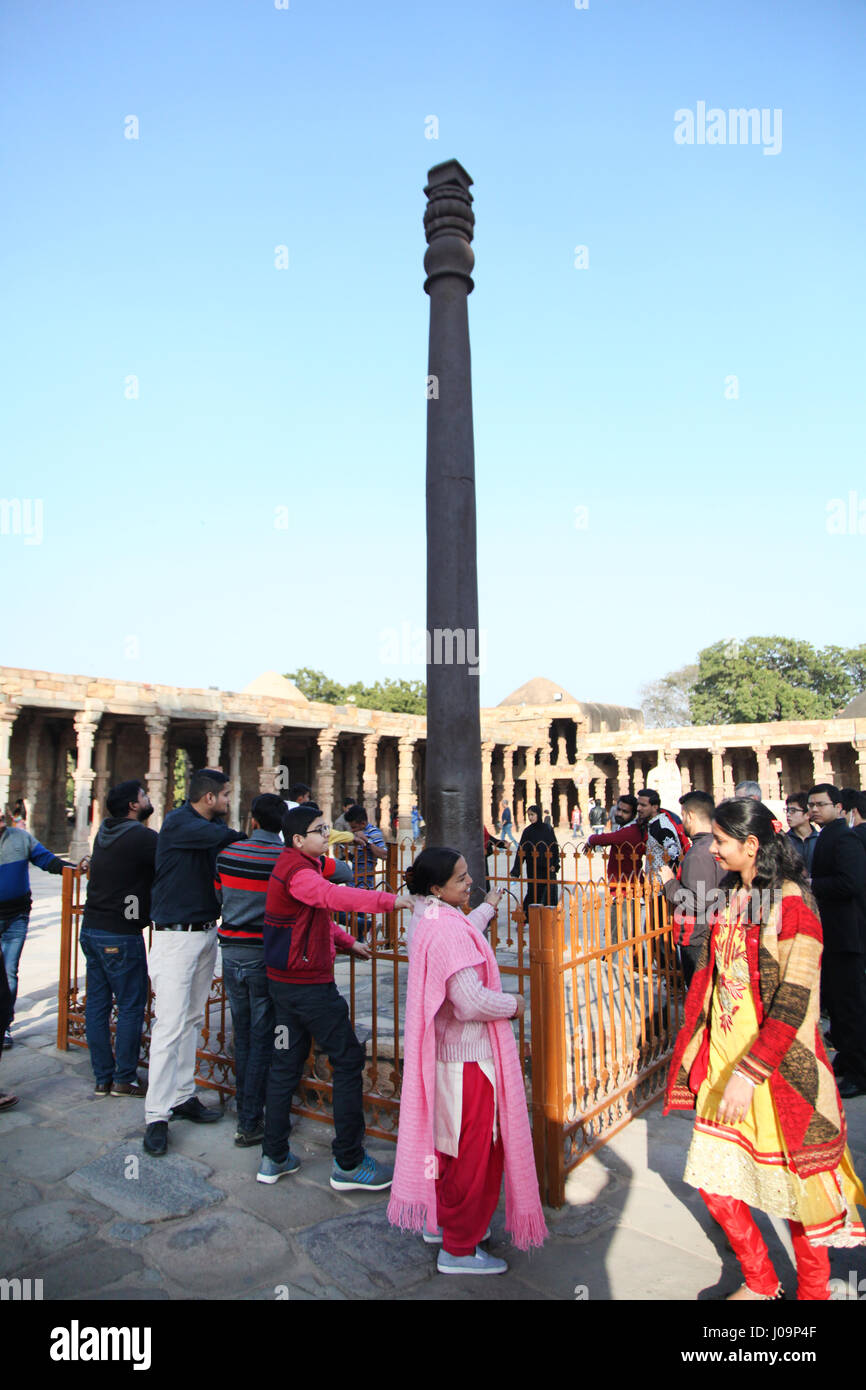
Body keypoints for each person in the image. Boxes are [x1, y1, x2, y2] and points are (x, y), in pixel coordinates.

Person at [665, 798, 866, 1300]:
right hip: (722, 1058)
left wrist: (750, 1071)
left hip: (776, 1070)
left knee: (801, 1194)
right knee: (713, 1181)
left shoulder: (791, 902)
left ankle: (813, 1295)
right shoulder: (738, 893)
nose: (712, 849)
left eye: (721, 842)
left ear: (752, 845)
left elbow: (795, 1001)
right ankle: (760, 1279)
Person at [388, 846, 546, 1273]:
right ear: (437, 888)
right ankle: (458, 1248)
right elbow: (469, 1000)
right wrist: (514, 1004)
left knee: (450, 1149)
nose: (470, 881)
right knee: (474, 1155)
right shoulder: (447, 930)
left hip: (447, 1058)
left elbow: (462, 937)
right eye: (461, 878)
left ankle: (444, 1222)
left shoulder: (428, 915)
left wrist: (488, 909)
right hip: (469, 1061)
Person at [258, 804, 413, 1187]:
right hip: (308, 986)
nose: (327, 834)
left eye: (326, 827)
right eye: (318, 829)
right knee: (347, 1059)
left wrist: (347, 942)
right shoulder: (298, 872)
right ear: (297, 839)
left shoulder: (295, 866)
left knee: (284, 1065)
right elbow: (333, 899)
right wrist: (390, 901)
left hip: (284, 982)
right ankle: (348, 1161)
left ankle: (273, 1156)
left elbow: (313, 919)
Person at [143, 768, 245, 1156]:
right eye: (225, 795)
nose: (227, 801)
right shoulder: (179, 823)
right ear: (209, 798)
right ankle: (156, 1114)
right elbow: (231, 838)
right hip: (174, 938)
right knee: (169, 1024)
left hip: (203, 931)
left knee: (191, 1020)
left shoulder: (204, 828)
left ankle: (183, 1094)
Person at [215, 793, 286, 1147]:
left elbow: (219, 898)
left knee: (242, 1033)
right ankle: (250, 1120)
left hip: (230, 954)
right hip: (264, 955)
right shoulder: (286, 860)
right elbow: (343, 873)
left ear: (253, 822)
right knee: (263, 1038)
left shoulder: (227, 855)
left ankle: (243, 1106)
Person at [80, 780, 157, 1098]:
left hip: (92, 927)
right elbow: (168, 866)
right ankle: (124, 1078)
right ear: (132, 805)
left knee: (97, 1005)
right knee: (129, 1004)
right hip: (120, 933)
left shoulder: (105, 832)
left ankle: (103, 1077)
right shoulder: (141, 836)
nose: (148, 797)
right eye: (143, 795)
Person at [0, 803, 88, 1049]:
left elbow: (46, 860)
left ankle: (4, 1024)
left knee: (8, 971)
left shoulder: (20, 838)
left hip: (16, 916)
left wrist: (73, 869)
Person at [807, 783, 866, 1099]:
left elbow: (851, 883)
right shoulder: (829, 835)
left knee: (850, 1005)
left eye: (820, 804)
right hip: (833, 932)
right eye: (811, 804)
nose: (814, 809)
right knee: (839, 1005)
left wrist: (812, 883)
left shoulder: (845, 837)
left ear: (839, 807)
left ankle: (860, 1072)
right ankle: (847, 1058)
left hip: (847, 935)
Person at [659, 790, 723, 989]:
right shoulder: (718, 844)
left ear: (690, 815)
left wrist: (669, 882)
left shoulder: (698, 853)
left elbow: (697, 900)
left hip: (697, 936)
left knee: (699, 995)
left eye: (683, 815)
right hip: (713, 930)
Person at [583, 794, 644, 945]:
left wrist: (591, 839)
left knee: (622, 930)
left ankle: (619, 959)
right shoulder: (629, 828)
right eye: (619, 810)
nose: (619, 814)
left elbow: (606, 839)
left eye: (625, 812)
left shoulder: (630, 831)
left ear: (633, 814)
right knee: (624, 929)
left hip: (625, 888)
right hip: (624, 886)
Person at [346, 803, 388, 940]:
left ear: (363, 823)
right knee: (353, 909)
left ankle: (366, 930)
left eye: (354, 827)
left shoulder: (373, 832)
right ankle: (360, 938)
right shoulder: (355, 833)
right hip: (354, 874)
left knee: (359, 908)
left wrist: (367, 841)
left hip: (366, 876)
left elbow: (383, 854)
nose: (352, 830)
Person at [510, 805, 559, 913]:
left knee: (550, 892)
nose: (530, 817)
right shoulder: (528, 831)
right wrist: (516, 871)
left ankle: (548, 917)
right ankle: (526, 917)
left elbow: (554, 847)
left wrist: (555, 864)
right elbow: (521, 851)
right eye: (529, 815)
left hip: (548, 866)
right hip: (534, 867)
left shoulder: (547, 829)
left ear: (538, 815)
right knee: (533, 892)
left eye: (532, 815)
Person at [784, 791, 819, 874]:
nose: (788, 814)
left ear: (807, 814)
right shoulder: (783, 841)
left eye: (793, 810)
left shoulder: (820, 840)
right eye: (787, 810)